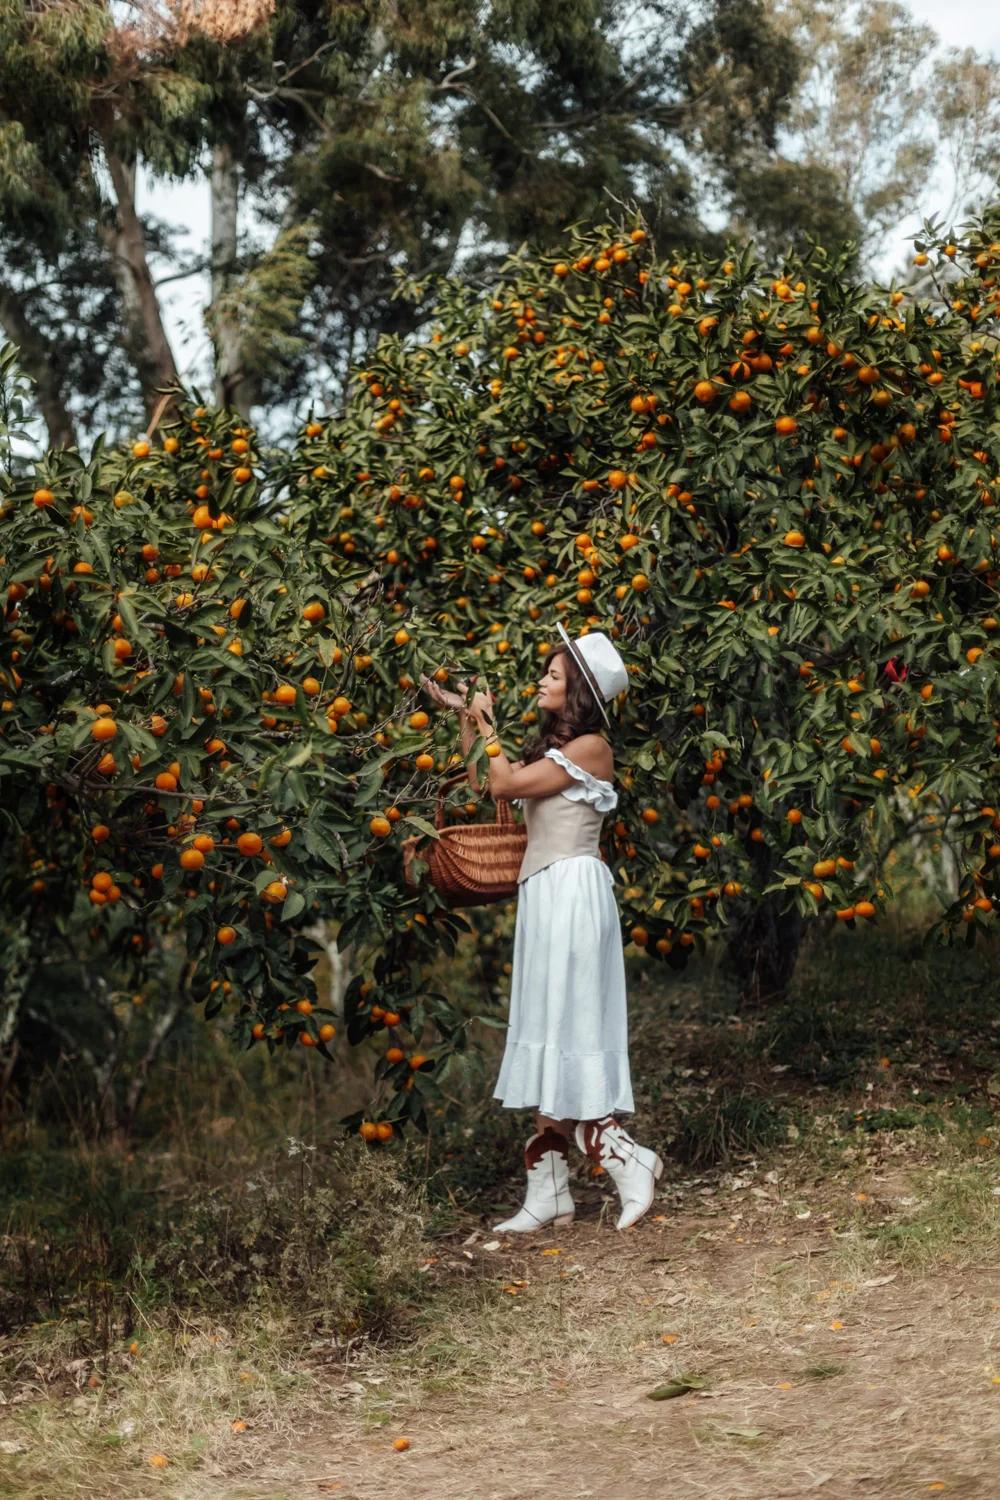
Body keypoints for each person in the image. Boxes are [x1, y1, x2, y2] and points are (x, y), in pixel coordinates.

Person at [419, 624, 663, 1234]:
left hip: (574, 893)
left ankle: (629, 1160)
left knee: (571, 1021)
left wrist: (487, 722)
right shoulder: (556, 752)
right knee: (550, 1025)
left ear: (579, 690)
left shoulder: (592, 749)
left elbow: (502, 781)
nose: (540, 681)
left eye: (553, 675)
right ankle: (549, 1192)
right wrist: (467, 719)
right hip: (546, 893)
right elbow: (486, 784)